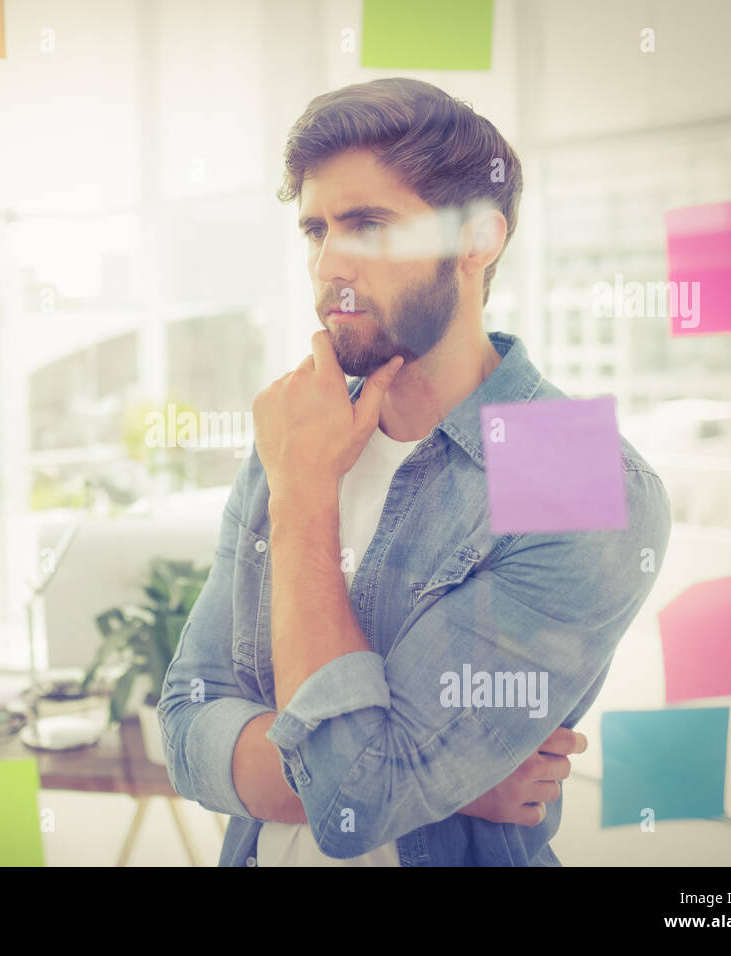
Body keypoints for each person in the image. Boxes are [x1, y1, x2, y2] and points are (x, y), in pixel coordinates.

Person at [158, 77, 672, 866]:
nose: (329, 262)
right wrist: (447, 780)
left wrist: (303, 503)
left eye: (368, 223)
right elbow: (187, 726)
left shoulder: (573, 467)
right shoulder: (299, 433)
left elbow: (358, 803)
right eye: (316, 229)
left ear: (478, 239)